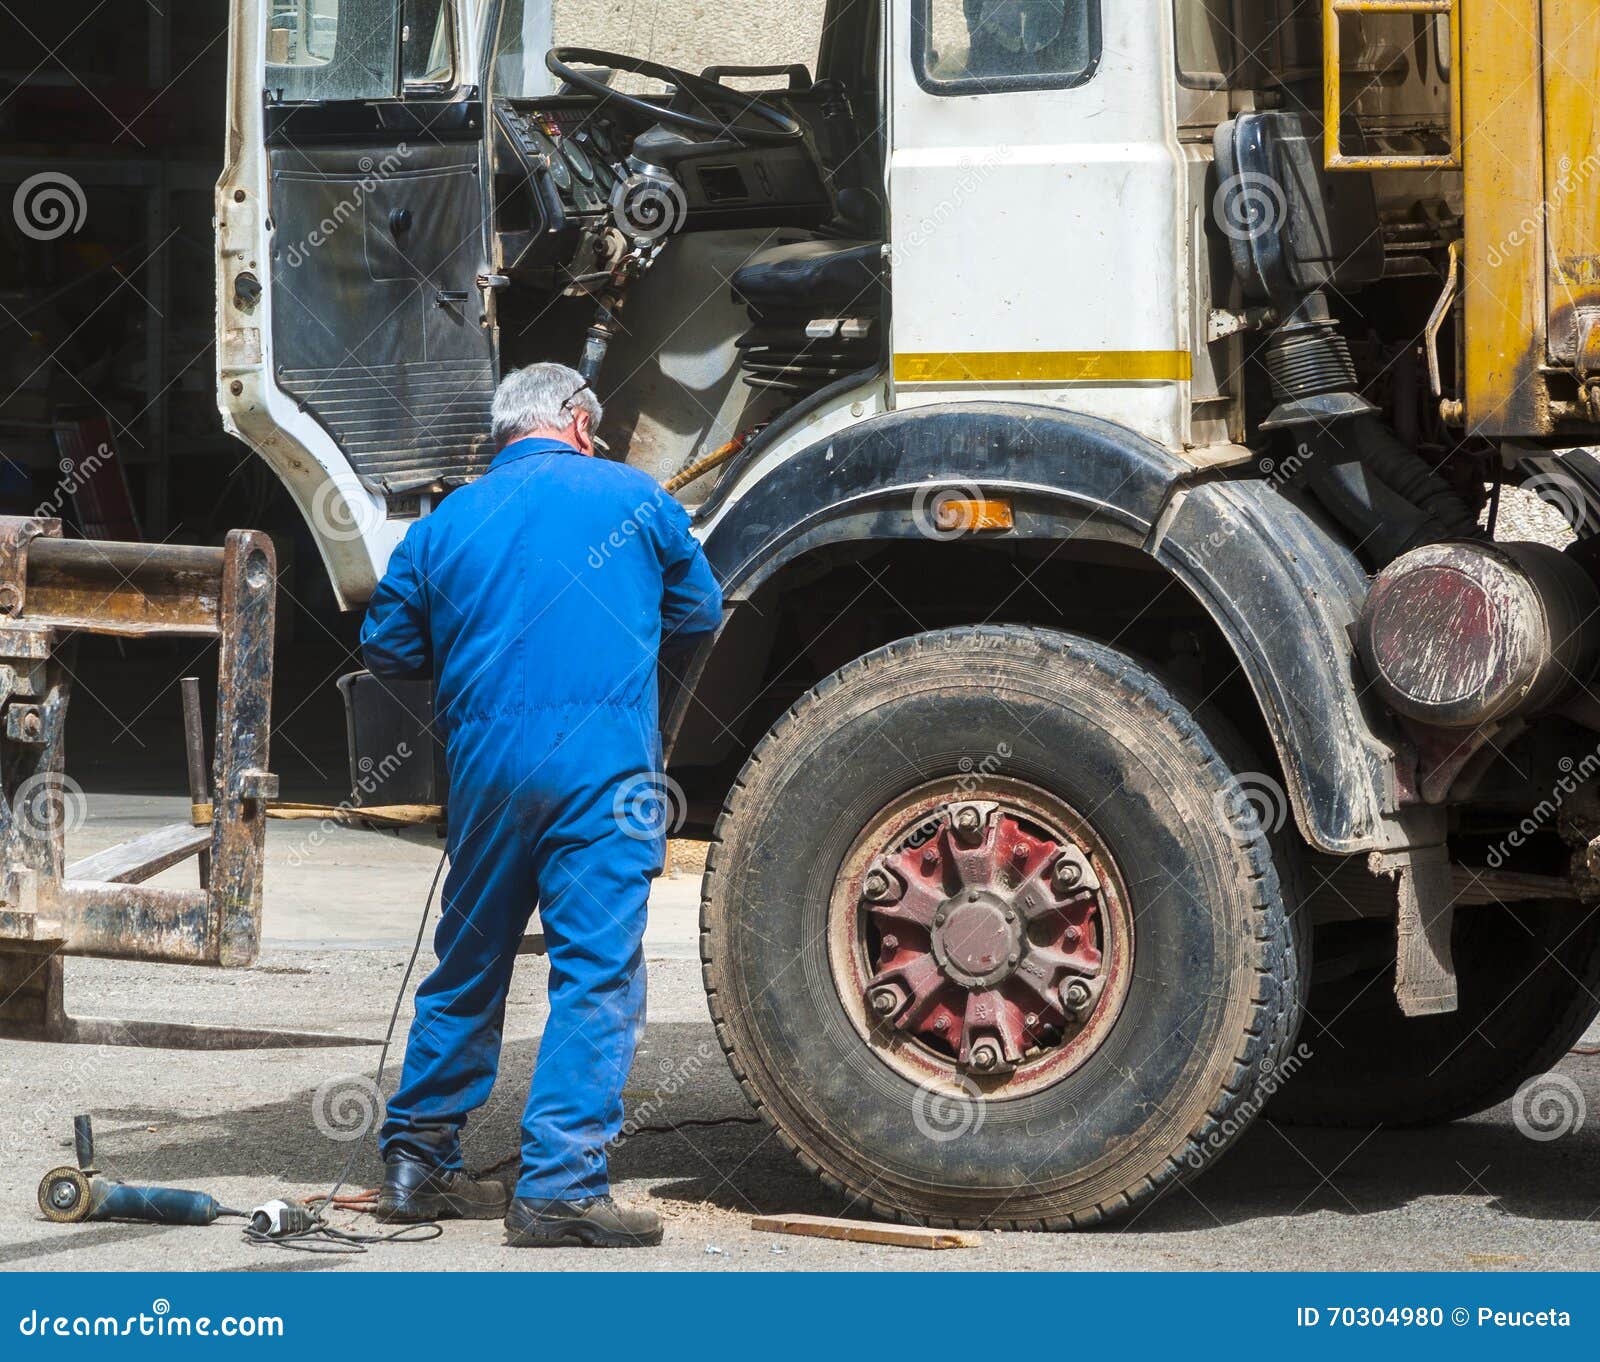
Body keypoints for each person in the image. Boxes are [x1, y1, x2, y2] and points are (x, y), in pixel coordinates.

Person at [359, 361, 722, 1248]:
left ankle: (414, 1166)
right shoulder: (636, 497)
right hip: (604, 776)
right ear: (576, 420)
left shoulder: (447, 521)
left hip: (488, 777)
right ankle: (558, 1186)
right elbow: (701, 611)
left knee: (468, 962)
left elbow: (388, 648)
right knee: (594, 973)